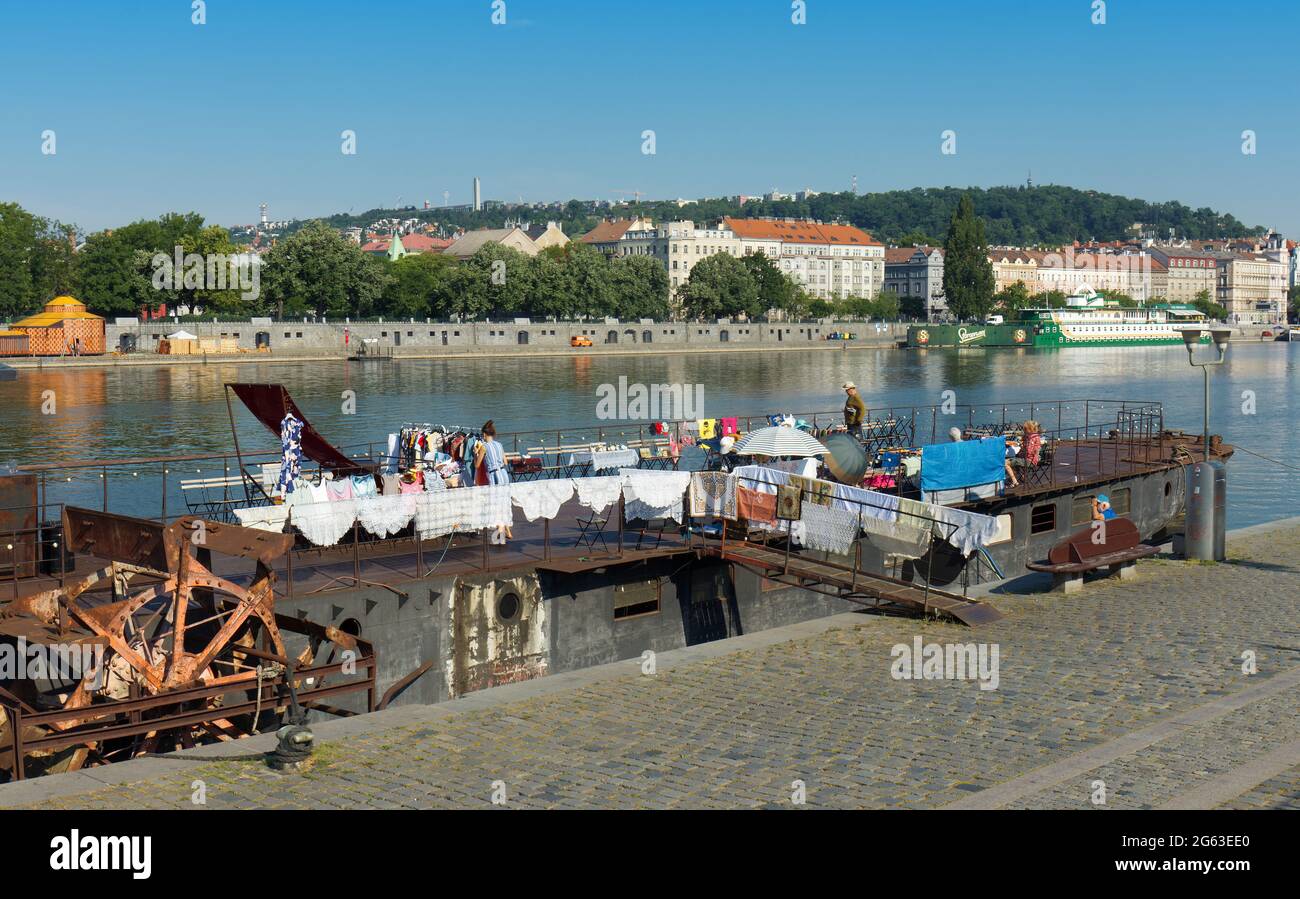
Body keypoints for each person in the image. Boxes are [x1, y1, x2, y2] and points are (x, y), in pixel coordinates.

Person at [478, 420, 512, 541]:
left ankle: (501, 534)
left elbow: (477, 465)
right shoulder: (499, 445)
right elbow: (506, 462)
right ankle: (507, 531)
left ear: (484, 435)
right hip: (503, 474)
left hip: (495, 476)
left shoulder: (484, 447)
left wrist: (476, 454)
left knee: (496, 504)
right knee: (503, 502)